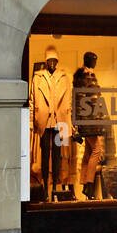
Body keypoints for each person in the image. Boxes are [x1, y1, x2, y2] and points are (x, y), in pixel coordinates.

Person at [30, 46, 73, 201]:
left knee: (57, 156)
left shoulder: (64, 78)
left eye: (55, 60)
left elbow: (68, 102)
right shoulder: (38, 78)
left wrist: (69, 122)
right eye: (50, 60)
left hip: (58, 123)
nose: (52, 63)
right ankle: (45, 188)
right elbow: (32, 100)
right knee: (45, 156)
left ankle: (55, 186)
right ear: (46, 61)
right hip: (43, 122)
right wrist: (31, 121)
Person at [72, 52, 114, 200]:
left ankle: (85, 183)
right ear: (89, 61)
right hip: (89, 120)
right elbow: (80, 100)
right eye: (94, 60)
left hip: (90, 120)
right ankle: (89, 186)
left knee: (89, 153)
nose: (96, 63)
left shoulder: (86, 76)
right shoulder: (86, 77)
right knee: (96, 151)